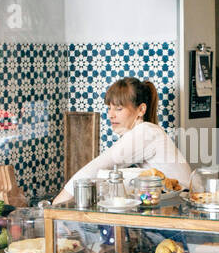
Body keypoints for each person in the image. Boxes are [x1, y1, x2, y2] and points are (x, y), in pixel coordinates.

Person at [53, 77, 192, 204]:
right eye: (109, 108)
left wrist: (57, 205)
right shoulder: (144, 131)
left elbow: (98, 167)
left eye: (118, 109)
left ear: (141, 109)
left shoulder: (146, 132)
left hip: (181, 208)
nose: (110, 115)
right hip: (175, 207)